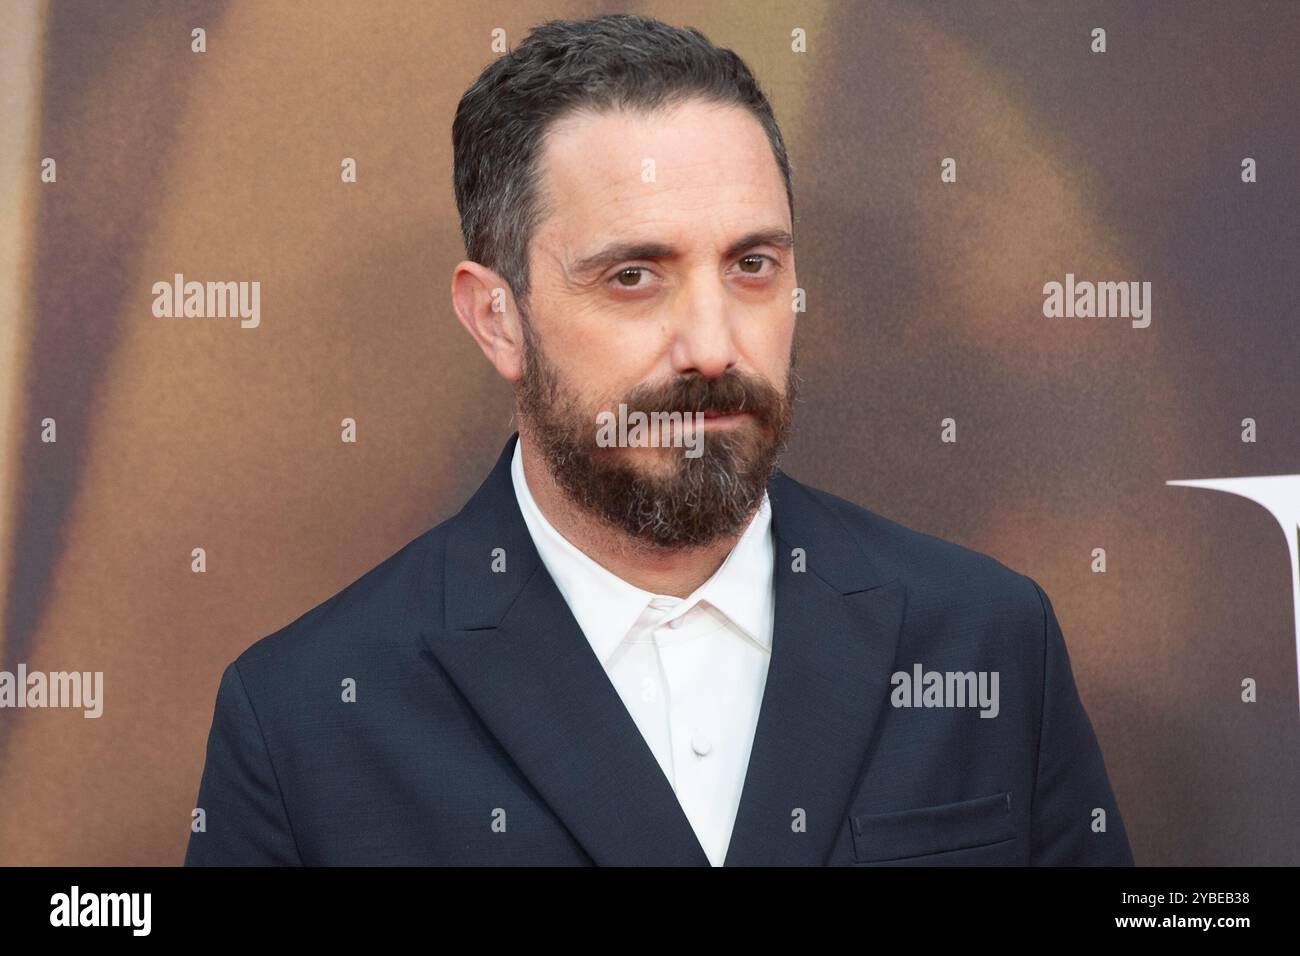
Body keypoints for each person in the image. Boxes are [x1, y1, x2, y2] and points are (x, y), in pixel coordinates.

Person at [185, 13, 1133, 866]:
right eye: (635, 276)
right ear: (496, 319)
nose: (714, 347)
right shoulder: (306, 719)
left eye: (753, 265)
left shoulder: (988, 639)